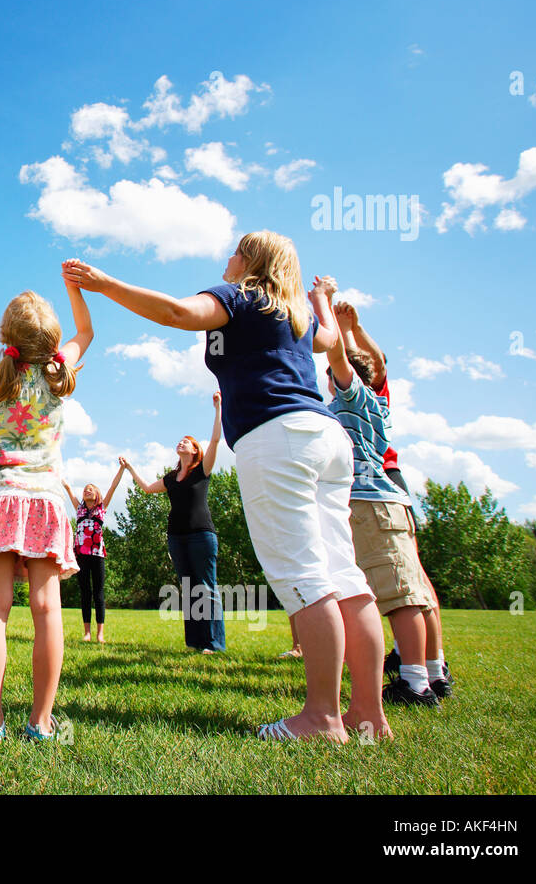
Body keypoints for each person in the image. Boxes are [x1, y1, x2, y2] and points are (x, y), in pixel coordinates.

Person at [63, 233, 389, 743]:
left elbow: (175, 313)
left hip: (277, 437)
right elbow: (331, 339)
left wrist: (104, 284)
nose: (227, 258)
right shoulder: (296, 313)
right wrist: (322, 299)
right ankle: (368, 716)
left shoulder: (241, 296)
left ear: (252, 261)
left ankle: (322, 718)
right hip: (327, 436)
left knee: (305, 575)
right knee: (344, 574)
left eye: (236, 251)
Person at [0, 262, 92, 742]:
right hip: (46, 501)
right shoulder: (59, 370)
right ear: (50, 338)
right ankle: (41, 722)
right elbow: (86, 330)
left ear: (6, 332)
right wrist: (73, 287)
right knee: (48, 610)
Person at [312, 278, 440, 708]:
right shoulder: (376, 402)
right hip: (382, 503)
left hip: (371, 503)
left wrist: (324, 306)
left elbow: (338, 356)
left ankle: (415, 683)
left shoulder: (353, 399)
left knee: (400, 595)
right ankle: (428, 674)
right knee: (406, 591)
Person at [122, 391, 227, 654]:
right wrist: (130, 468)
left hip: (201, 536)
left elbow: (215, 439)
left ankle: (214, 643)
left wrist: (218, 408)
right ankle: (195, 642)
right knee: (190, 589)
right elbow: (146, 488)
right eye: (180, 441)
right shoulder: (171, 478)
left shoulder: (202, 471)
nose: (181, 443)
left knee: (206, 587)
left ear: (195, 451)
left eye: (187, 442)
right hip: (176, 537)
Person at [62, 467, 124, 644]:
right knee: (85, 593)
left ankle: (100, 634)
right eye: (85, 489)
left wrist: (121, 468)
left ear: (97, 494)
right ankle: (87, 632)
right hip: (81, 554)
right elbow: (67, 488)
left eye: (90, 488)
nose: (86, 490)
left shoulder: (101, 508)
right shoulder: (80, 509)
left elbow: (113, 486)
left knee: (98, 593)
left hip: (97, 554)